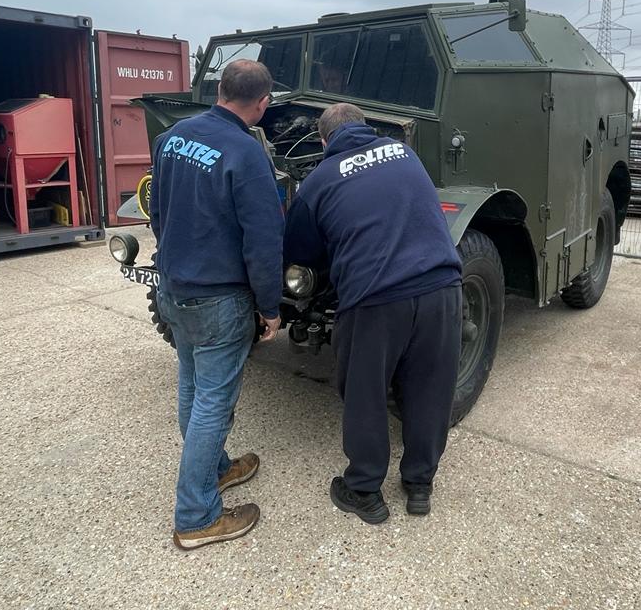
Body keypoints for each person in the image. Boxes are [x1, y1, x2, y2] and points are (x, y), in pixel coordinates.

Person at [284, 103, 462, 523]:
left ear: (324, 141)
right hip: (442, 288)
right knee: (429, 390)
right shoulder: (406, 154)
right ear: (365, 129)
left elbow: (300, 255)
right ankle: (420, 485)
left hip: (376, 298)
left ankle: (364, 491)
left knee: (365, 394)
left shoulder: (319, 179)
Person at [150, 59, 284, 550]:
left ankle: (218, 469)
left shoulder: (173, 137)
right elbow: (264, 239)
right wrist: (270, 307)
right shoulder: (246, 153)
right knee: (212, 403)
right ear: (263, 103)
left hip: (175, 289)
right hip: (218, 300)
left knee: (191, 386)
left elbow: (158, 210)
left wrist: (174, 264)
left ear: (220, 88)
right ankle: (196, 516)